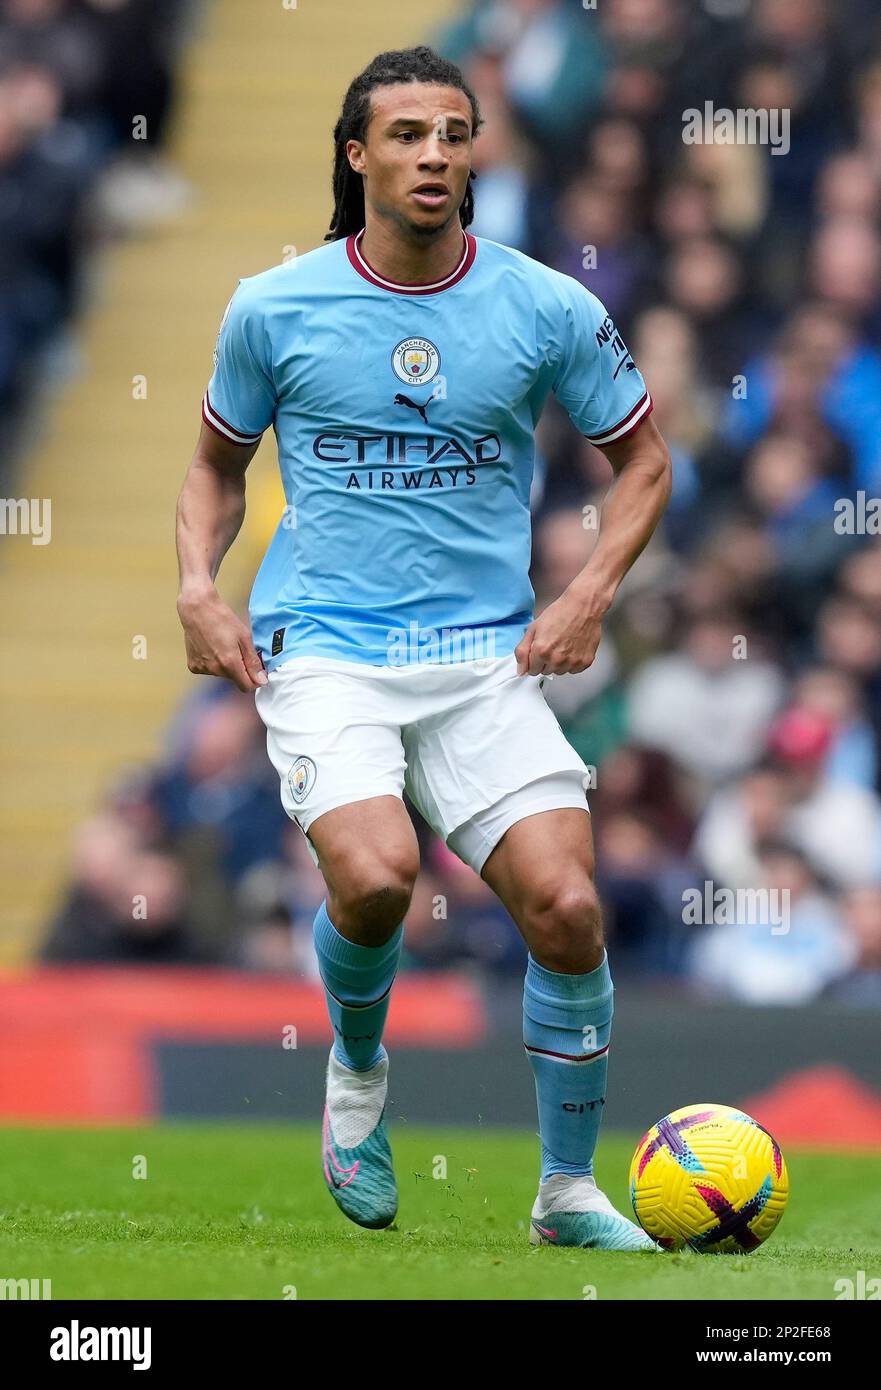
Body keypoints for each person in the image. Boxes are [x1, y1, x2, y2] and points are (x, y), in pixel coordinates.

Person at [175, 46, 671, 1252]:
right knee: (379, 872)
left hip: (484, 658)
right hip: (326, 648)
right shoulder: (274, 306)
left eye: (453, 133)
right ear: (358, 157)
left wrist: (588, 590)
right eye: (405, 135)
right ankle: (355, 1076)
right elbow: (212, 470)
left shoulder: (545, 304)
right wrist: (196, 585)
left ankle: (564, 1195)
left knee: (563, 905)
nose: (434, 155)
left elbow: (645, 464)